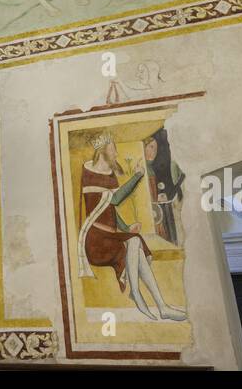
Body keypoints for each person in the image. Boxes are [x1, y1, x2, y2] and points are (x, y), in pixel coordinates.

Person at [78, 133, 186, 321]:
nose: (117, 153)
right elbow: (116, 198)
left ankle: (159, 304)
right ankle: (143, 297)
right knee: (134, 241)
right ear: (103, 151)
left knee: (135, 242)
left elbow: (109, 207)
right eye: (113, 149)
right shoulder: (89, 173)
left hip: (110, 237)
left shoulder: (110, 175)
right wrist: (137, 176)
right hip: (95, 240)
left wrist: (126, 227)